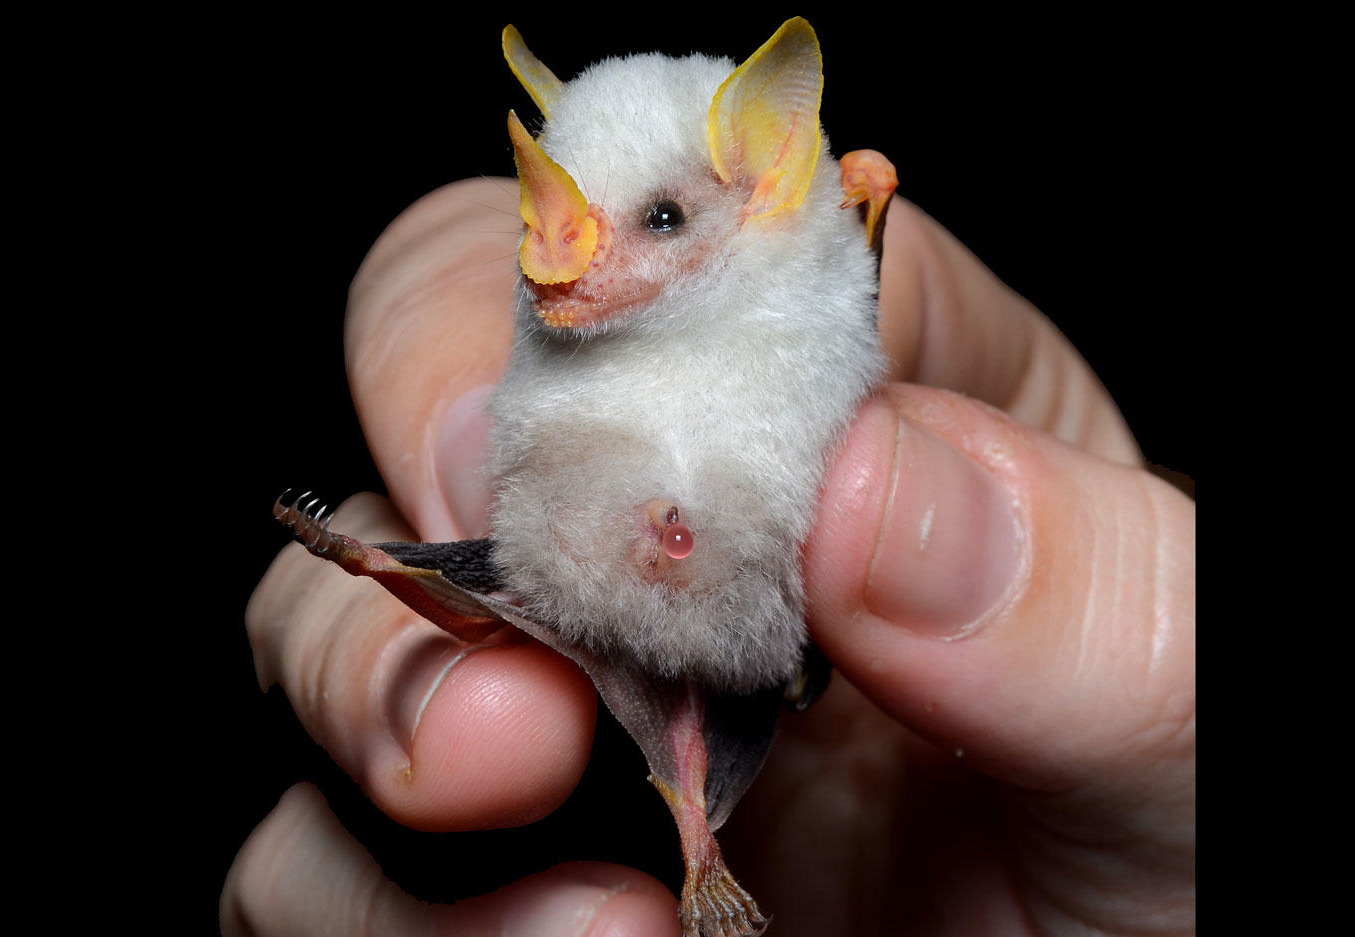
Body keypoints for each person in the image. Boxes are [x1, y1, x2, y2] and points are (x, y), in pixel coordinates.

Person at [222, 179, 1195, 936]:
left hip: (724, 597)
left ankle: (698, 849)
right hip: (607, 571)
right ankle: (363, 557)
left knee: (669, 706)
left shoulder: (787, 444)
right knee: (502, 582)